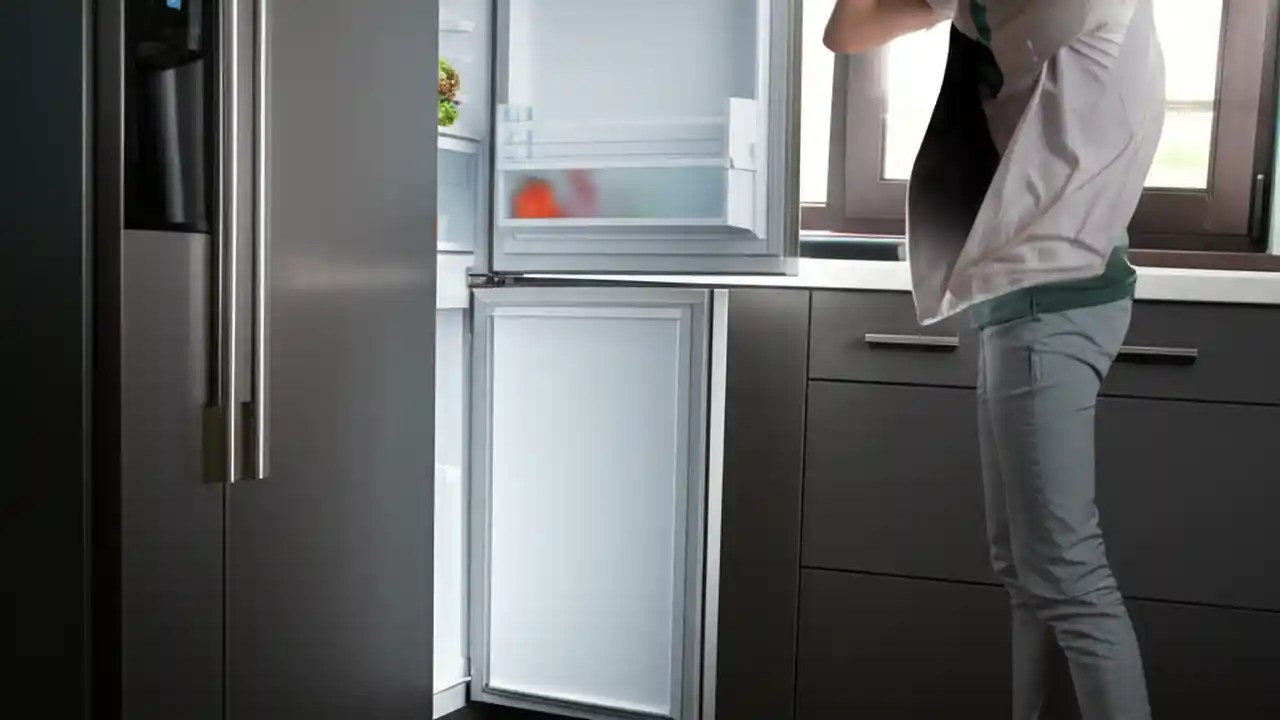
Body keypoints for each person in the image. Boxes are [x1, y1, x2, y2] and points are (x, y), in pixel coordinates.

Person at [825, 1, 1165, 718]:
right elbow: (846, 29)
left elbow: (1011, 34)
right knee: (1027, 573)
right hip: (1020, 300)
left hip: (1057, 301)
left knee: (1069, 578)